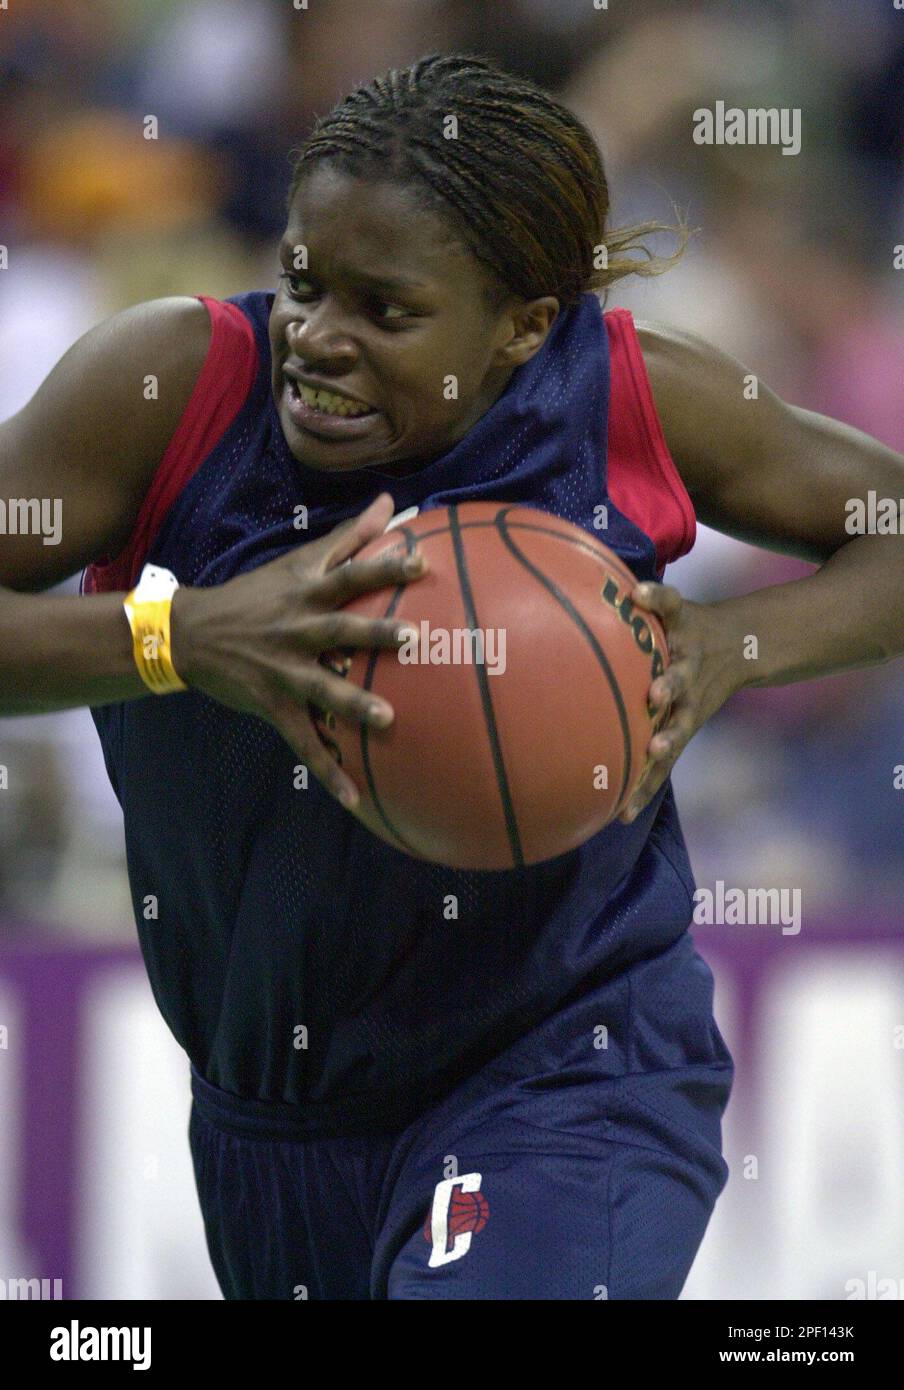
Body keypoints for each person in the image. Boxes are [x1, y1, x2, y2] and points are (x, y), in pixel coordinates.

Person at [2, 53, 902, 1300]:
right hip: (273, 1112)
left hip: (573, 1061)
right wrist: (176, 638)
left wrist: (731, 648)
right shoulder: (171, 387)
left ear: (524, 325)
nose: (318, 338)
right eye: (304, 282)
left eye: (386, 309)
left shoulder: (625, 393)